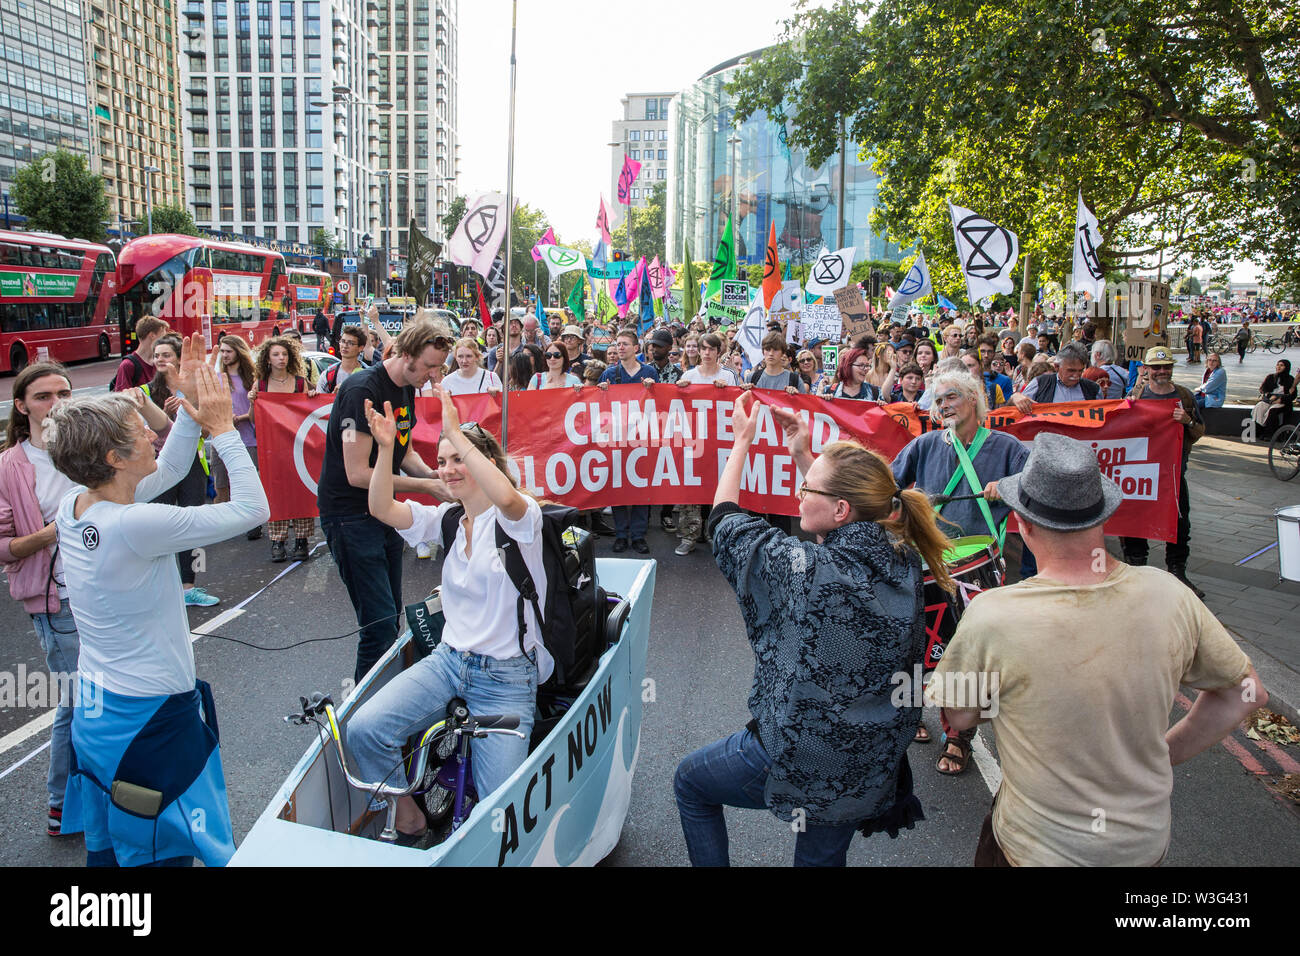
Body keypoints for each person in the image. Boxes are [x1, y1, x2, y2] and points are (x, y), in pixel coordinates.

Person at [931, 433, 1266, 866]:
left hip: (1034, 849)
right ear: (1103, 516)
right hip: (1142, 846)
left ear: (1023, 524)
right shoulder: (1170, 593)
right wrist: (1163, 755)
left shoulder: (993, 616)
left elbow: (959, 716)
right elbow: (1248, 692)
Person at [673, 392, 951, 866]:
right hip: (870, 759)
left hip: (798, 753)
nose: (799, 494)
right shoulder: (904, 556)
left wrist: (741, 441)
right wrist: (804, 452)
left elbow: (723, 522)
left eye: (807, 489)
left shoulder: (806, 568)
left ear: (841, 510)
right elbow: (845, 505)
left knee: (690, 783)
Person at [50, 335, 270, 866]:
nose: (153, 433)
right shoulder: (134, 526)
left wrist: (189, 403)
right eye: (138, 432)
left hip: (100, 709)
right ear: (112, 457)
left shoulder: (76, 504)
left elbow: (167, 471)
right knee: (161, 855)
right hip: (148, 718)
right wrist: (222, 429)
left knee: (114, 851)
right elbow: (254, 507)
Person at [347, 388, 543, 845]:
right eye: (442, 460)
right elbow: (381, 507)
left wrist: (456, 430)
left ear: (484, 463)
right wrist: (383, 450)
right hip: (449, 663)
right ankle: (410, 816)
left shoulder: (521, 519)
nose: (448, 470)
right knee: (364, 731)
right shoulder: (449, 520)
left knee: (502, 814)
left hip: (507, 679)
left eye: (459, 459)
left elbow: (509, 499)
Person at [891, 367, 1031, 761]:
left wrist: (1008, 485)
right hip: (925, 563)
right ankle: (911, 712)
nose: (944, 405)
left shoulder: (1005, 446)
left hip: (978, 569)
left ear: (974, 399)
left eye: (951, 396)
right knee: (915, 644)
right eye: (938, 401)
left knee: (965, 654)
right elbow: (889, 484)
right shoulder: (926, 445)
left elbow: (1040, 477)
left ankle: (959, 735)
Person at [317, 318, 454, 684]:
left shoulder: (407, 385)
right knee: (378, 625)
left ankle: (385, 699)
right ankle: (363, 711)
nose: (433, 375)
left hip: (382, 511)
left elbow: (401, 449)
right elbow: (358, 473)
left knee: (392, 615)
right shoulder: (360, 390)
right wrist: (428, 490)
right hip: (349, 516)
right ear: (406, 355)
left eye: (439, 367)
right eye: (429, 366)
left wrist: (430, 474)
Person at [1121, 346, 1205, 597]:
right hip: (1141, 474)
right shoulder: (1135, 397)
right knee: (1136, 523)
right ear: (1145, 369)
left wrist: (1187, 421)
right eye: (1156, 367)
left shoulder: (1184, 396)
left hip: (1173, 473)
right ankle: (1137, 573)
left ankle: (1177, 574)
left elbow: (1199, 429)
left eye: (1166, 366)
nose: (1161, 371)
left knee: (1179, 523)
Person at [143, 335, 220, 607]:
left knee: (193, 527)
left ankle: (189, 588)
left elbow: (209, 429)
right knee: (157, 527)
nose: (161, 360)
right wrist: (162, 419)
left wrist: (188, 414)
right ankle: (158, 586)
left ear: (179, 358)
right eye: (157, 355)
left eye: (167, 355)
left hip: (193, 467)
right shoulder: (143, 392)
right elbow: (133, 434)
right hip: (155, 469)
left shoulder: (193, 390)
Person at [249, 336, 316, 562]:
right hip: (272, 448)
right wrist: (252, 402)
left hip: (298, 445)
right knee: (274, 490)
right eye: (276, 354)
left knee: (299, 489)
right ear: (267, 359)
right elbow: (254, 419)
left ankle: (301, 539)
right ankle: (277, 540)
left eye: (284, 354)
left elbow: (309, 411)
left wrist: (312, 397)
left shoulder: (299, 382)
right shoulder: (261, 385)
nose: (281, 358)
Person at [597, 328, 660, 554]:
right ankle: (622, 535)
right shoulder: (609, 374)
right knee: (619, 488)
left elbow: (661, 403)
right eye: (618, 343)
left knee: (642, 487)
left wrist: (653, 389)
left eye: (625, 344)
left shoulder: (649, 371)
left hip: (643, 438)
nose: (620, 347)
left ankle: (639, 535)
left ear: (636, 348)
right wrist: (602, 392)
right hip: (617, 439)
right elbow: (598, 406)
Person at [210, 337, 258, 533]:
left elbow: (259, 410)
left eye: (228, 351)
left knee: (248, 483)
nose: (225, 355)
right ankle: (224, 525)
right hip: (220, 437)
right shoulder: (218, 377)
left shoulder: (252, 378)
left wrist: (242, 417)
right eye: (222, 351)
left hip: (248, 438)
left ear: (239, 351)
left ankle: (252, 524)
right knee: (221, 483)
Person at [1008, 341, 1099, 411]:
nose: (1076, 375)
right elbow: (1016, 409)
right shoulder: (1040, 383)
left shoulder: (1093, 389)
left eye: (1080, 371)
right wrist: (1014, 398)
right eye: (1071, 370)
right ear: (1056, 367)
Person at [112, 316, 168, 392]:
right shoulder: (127, 365)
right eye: (163, 337)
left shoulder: (159, 362)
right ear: (152, 335)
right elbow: (122, 400)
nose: (165, 341)